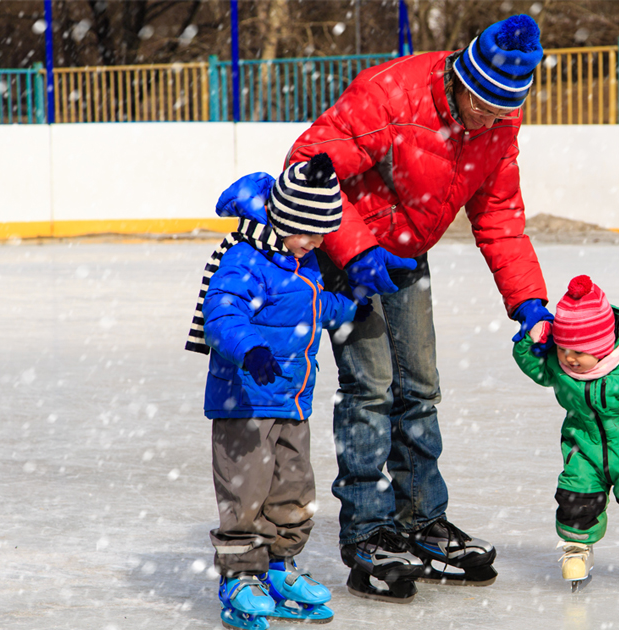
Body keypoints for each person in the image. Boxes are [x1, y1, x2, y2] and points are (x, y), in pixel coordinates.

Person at [278, 14, 554, 600]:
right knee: (372, 387)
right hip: (342, 248)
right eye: (480, 103)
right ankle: (368, 530)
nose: (487, 118)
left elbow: (499, 215)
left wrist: (530, 302)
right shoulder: (392, 95)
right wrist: (354, 254)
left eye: (501, 110)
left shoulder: (499, 123)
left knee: (420, 387)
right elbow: (307, 167)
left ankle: (420, 519)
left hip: (404, 258)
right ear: (461, 76)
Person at [187, 154, 363, 628]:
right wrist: (251, 350)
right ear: (284, 220)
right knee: (245, 491)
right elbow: (221, 312)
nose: (315, 244)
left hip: (290, 400)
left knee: (293, 488)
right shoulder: (247, 257)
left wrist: (349, 307)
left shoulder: (299, 258)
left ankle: (280, 568)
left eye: (321, 235)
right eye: (308, 233)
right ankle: (240, 577)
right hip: (244, 399)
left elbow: (310, 303)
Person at [511, 275, 619, 590]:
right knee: (576, 499)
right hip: (582, 447)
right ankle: (577, 548)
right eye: (563, 349)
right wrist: (531, 338)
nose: (569, 359)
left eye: (578, 352)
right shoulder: (559, 366)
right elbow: (533, 365)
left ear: (602, 347)